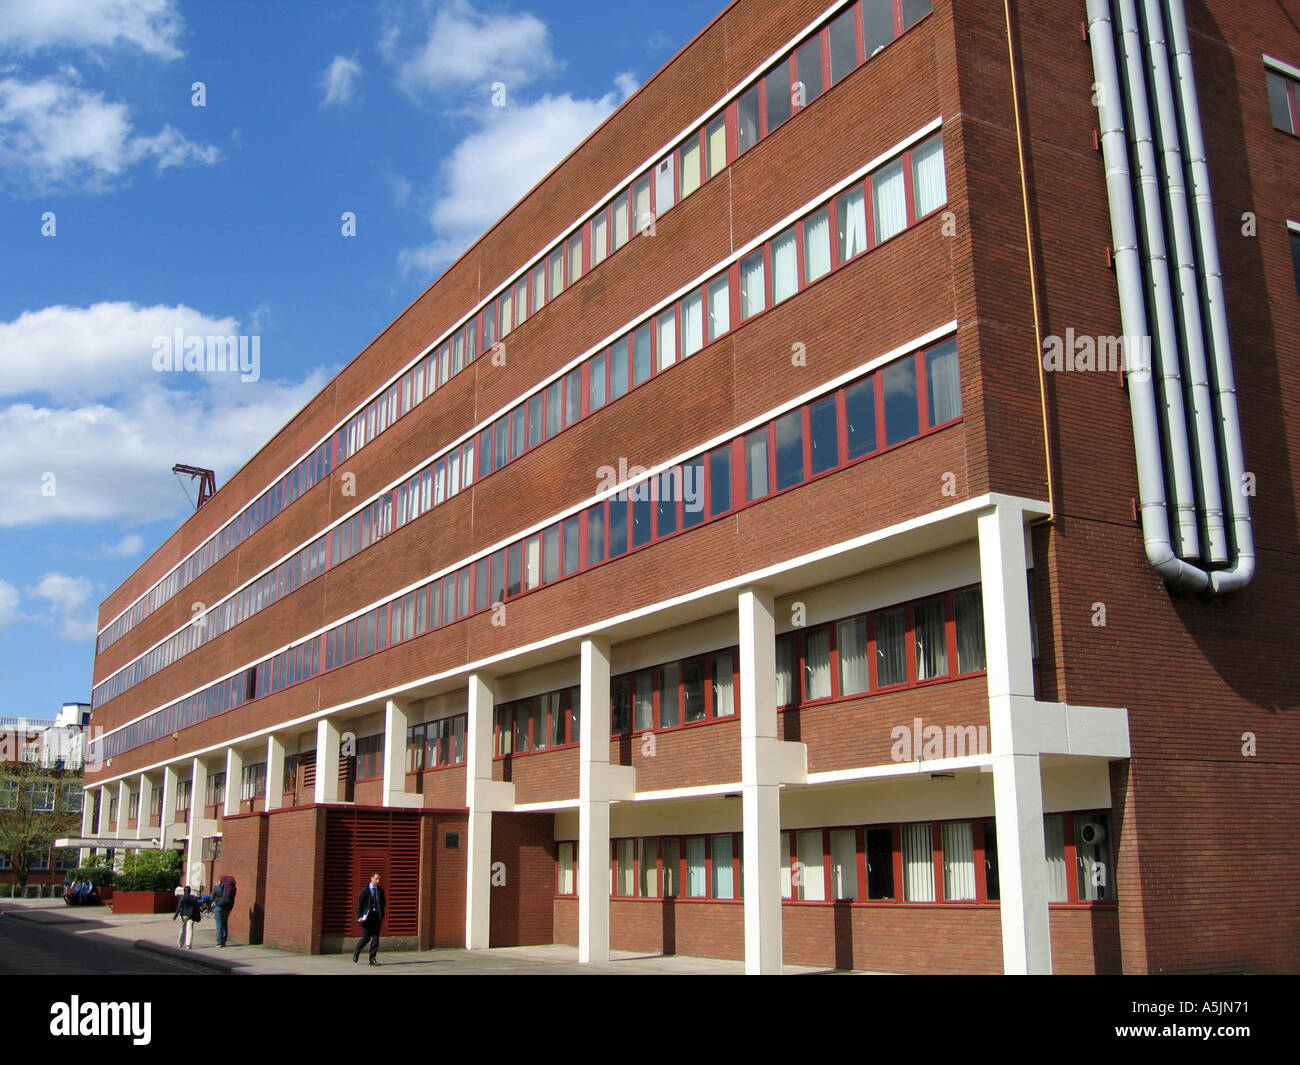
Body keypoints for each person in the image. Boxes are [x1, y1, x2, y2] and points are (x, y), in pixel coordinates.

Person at [351, 872, 385, 966]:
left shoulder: (380, 891)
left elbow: (383, 904)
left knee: (375, 939)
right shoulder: (364, 891)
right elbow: (359, 905)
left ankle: (372, 959)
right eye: (376, 879)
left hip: (376, 917)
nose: (378, 881)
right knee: (366, 938)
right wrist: (359, 917)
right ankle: (356, 952)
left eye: (379, 879)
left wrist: (381, 915)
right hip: (367, 917)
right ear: (371, 878)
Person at [173, 885, 201, 949]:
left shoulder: (182, 898)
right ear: (190, 891)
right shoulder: (193, 897)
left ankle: (180, 943)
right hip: (191, 915)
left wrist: (175, 916)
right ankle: (188, 944)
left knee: (182, 929)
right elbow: (198, 903)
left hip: (183, 915)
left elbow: (179, 907)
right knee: (190, 929)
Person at [212, 874, 236, 947]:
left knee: (219, 924)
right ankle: (224, 940)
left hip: (219, 906)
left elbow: (211, 897)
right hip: (228, 907)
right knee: (225, 922)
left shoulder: (217, 887)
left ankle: (219, 942)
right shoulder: (232, 888)